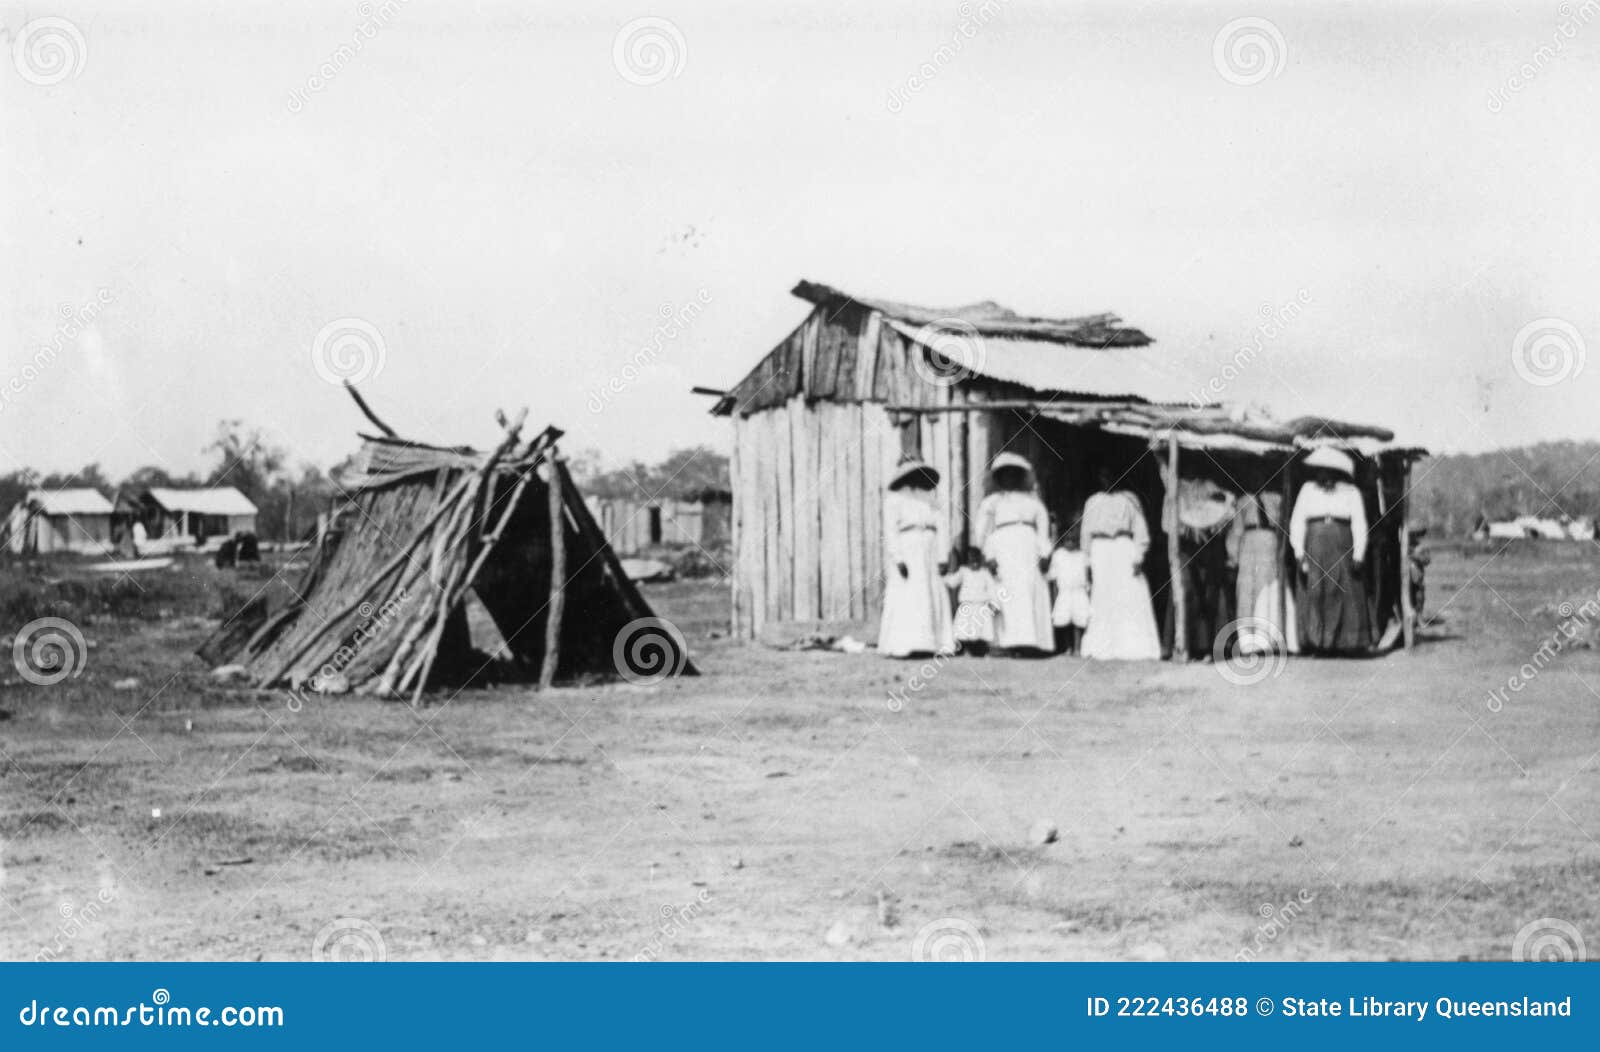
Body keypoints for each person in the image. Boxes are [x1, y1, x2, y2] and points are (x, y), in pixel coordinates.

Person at [1289, 446, 1371, 654]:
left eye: (1328, 471)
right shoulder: (1308, 489)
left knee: (1343, 590)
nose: (1323, 475)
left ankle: (1347, 643)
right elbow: (1297, 521)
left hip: (1342, 545)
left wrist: (1359, 554)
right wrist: (1299, 552)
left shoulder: (1351, 492)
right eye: (1320, 471)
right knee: (1316, 591)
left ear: (1337, 472)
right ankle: (1319, 643)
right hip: (1314, 546)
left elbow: (1359, 523)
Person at [1079, 467, 1161, 660]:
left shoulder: (1129, 499)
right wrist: (1087, 561)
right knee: (1102, 593)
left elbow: (1140, 529)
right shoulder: (1093, 501)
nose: (1108, 480)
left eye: (1112, 476)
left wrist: (1139, 555)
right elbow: (1086, 532)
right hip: (1101, 549)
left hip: (1123, 548)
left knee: (1128, 593)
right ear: (1099, 479)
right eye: (1103, 477)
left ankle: (1132, 646)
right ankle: (1101, 646)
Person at [975, 452, 1054, 653]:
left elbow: (1043, 531)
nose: (1009, 478)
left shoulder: (1034, 502)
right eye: (1004, 474)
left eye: (1014, 474)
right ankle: (1006, 642)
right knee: (1006, 591)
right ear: (999, 478)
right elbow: (983, 533)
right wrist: (988, 556)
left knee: (1029, 589)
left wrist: (1045, 553)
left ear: (1020, 476)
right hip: (1003, 548)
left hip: (1028, 548)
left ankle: (1032, 642)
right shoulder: (992, 502)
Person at [877, 458, 956, 658]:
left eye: (920, 473)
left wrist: (943, 556)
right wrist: (898, 557)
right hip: (908, 546)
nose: (916, 478)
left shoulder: (931, 500)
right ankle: (905, 643)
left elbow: (942, 529)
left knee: (930, 590)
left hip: (929, 546)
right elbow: (890, 530)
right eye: (912, 474)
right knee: (908, 591)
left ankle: (933, 643)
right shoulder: (894, 500)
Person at [1226, 491, 1298, 654]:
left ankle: (1272, 639)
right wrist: (1233, 557)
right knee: (1247, 590)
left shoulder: (1276, 498)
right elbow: (1237, 530)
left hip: (1270, 543)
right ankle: (1249, 642)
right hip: (1249, 544)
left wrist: (1284, 550)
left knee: (1269, 587)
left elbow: (1284, 525)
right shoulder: (1243, 500)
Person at [944, 546, 1000, 656]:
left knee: (980, 630)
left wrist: (994, 604)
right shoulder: (963, 571)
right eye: (971, 561)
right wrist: (945, 576)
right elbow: (952, 582)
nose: (974, 564)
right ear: (968, 561)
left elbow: (992, 588)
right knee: (962, 629)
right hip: (967, 605)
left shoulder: (985, 573)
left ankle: (978, 649)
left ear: (980, 560)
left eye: (976, 561)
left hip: (981, 606)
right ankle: (961, 648)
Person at [1047, 528, 1091, 656]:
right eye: (1067, 540)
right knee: (1064, 621)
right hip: (1064, 592)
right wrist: (1055, 595)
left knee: (1079, 620)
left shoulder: (1082, 555)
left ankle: (1077, 647)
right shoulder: (1058, 555)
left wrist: (1088, 590)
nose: (1070, 543)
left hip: (1079, 591)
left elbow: (1087, 575)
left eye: (1073, 540)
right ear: (1063, 541)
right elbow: (1054, 576)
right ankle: (1067, 647)